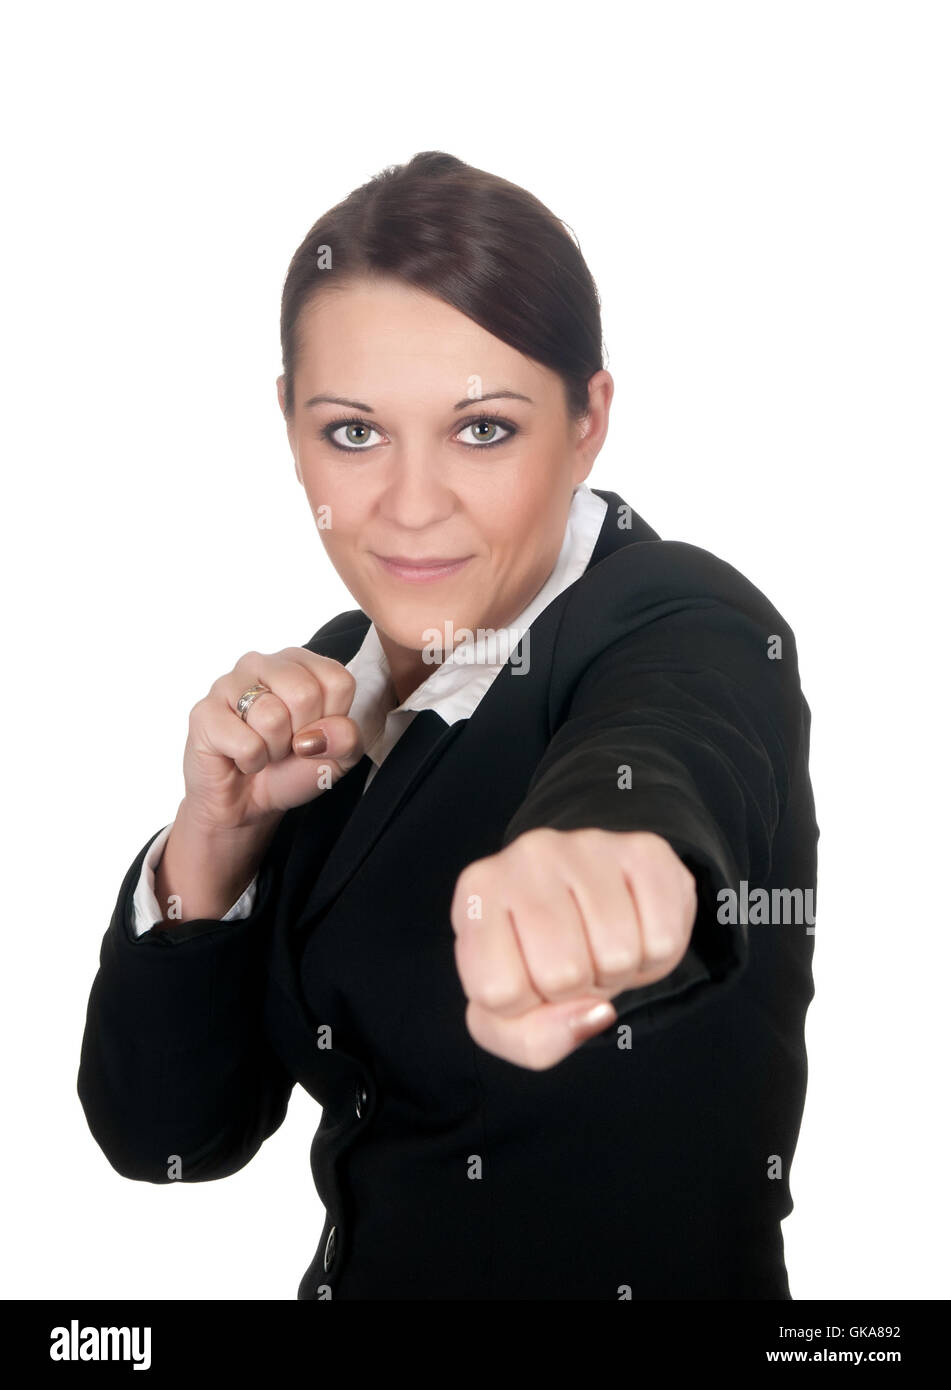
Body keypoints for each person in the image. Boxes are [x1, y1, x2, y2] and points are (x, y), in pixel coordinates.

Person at [77, 150, 818, 1300]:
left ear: (587, 423)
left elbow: (665, 748)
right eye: (356, 433)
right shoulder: (331, 680)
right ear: (290, 423)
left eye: (482, 430)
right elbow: (168, 1135)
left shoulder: (687, 614)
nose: (411, 505)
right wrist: (212, 841)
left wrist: (597, 871)